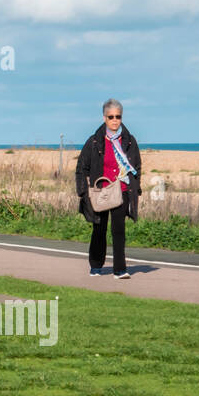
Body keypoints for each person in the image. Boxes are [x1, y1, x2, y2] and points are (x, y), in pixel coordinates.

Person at [75, 98, 142, 279]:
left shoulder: (129, 141)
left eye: (117, 116)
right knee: (99, 229)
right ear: (104, 118)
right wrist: (83, 191)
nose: (114, 120)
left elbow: (136, 166)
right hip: (101, 192)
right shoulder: (95, 141)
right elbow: (82, 167)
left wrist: (135, 188)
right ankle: (96, 265)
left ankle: (120, 270)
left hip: (121, 190)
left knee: (118, 231)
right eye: (110, 116)